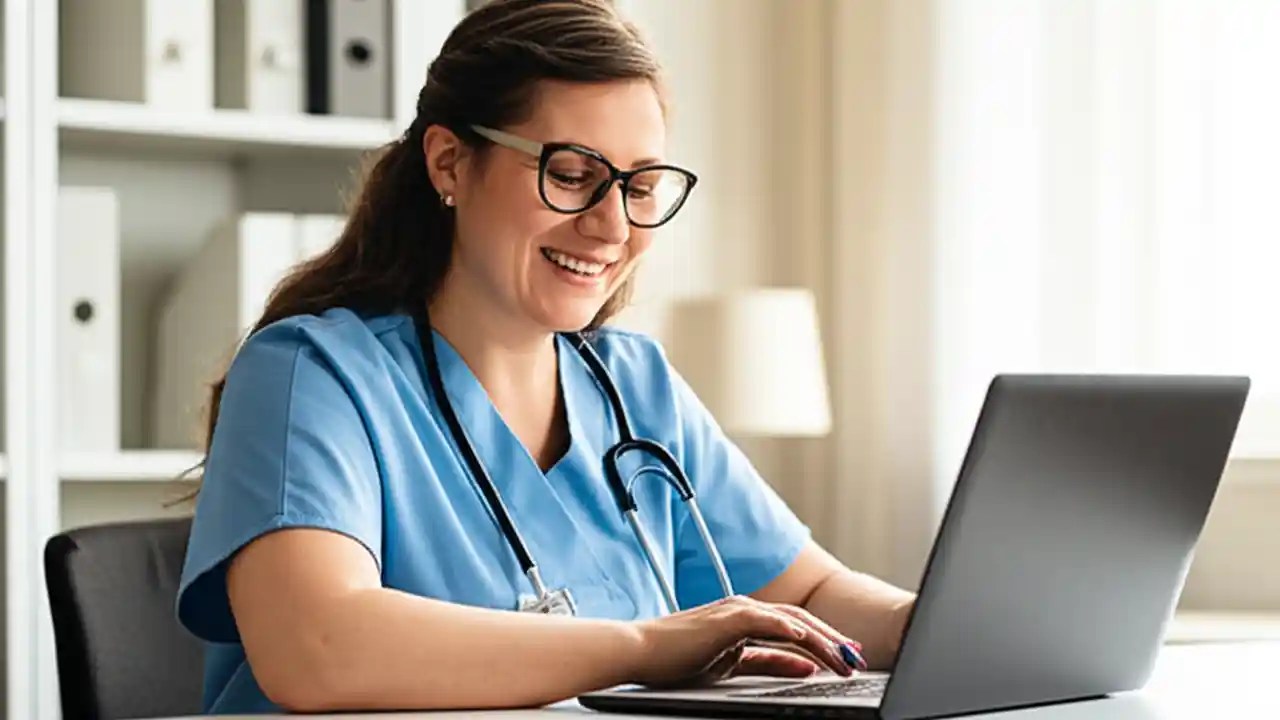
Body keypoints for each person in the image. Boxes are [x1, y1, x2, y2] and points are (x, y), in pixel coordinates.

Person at [175, 0, 916, 714]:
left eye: (641, 186)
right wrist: (644, 647)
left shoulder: (633, 384)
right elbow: (316, 647)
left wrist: (936, 625)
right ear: (449, 164)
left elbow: (812, 595)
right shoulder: (313, 373)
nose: (611, 224)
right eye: (571, 175)